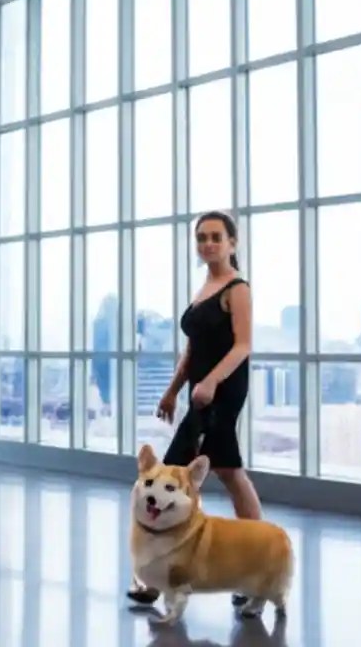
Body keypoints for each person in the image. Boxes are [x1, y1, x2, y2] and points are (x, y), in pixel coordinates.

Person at [128, 210, 264, 607]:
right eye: (202, 237)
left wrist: (212, 382)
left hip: (223, 390)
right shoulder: (205, 287)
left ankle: (253, 568)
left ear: (232, 243)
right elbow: (192, 351)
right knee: (195, 473)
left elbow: (243, 346)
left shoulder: (237, 288)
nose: (208, 244)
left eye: (216, 237)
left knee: (215, 472)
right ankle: (161, 575)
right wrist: (172, 391)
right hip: (199, 392)